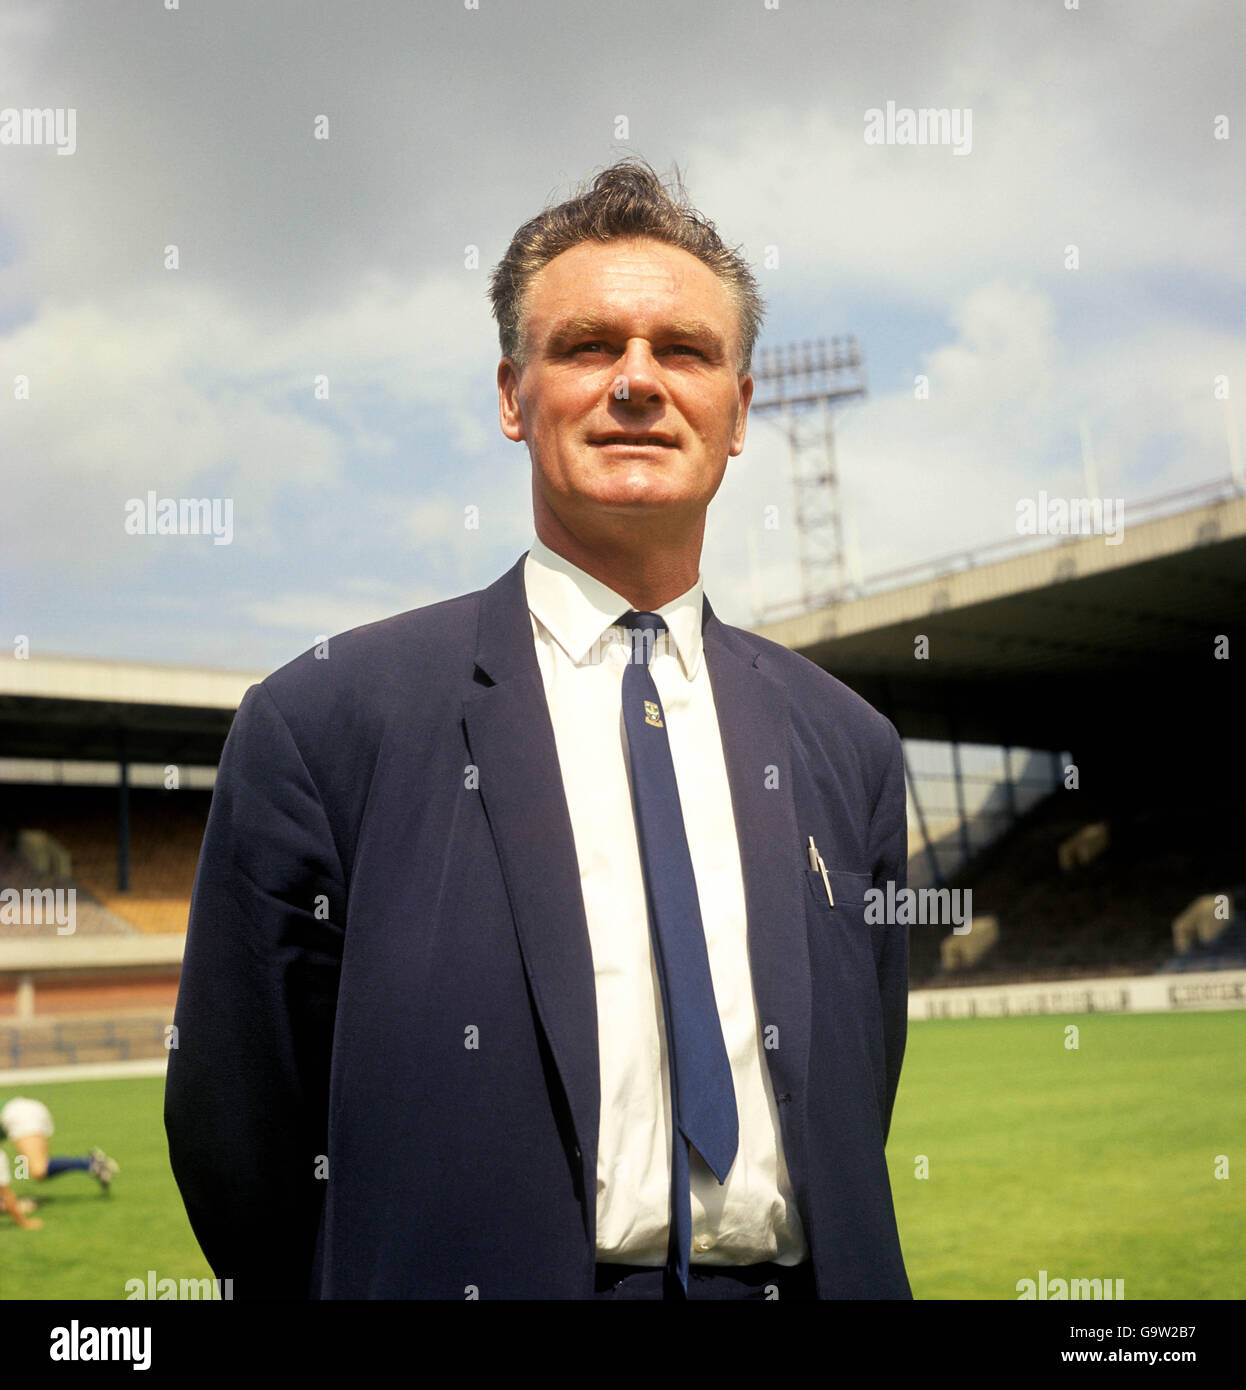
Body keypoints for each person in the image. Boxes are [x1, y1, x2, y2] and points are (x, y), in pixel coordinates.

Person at [165, 158, 911, 1300]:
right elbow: (241, 1136)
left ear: (740, 408)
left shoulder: (847, 743)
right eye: (588, 346)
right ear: (514, 396)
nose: (638, 381)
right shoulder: (325, 719)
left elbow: (861, 1084)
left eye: (684, 351)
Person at [0, 1096, 119, 1215]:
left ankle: (91, 1163)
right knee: (38, 1171)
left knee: (38, 1169)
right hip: (22, 1111)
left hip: (18, 1114)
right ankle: (92, 1164)